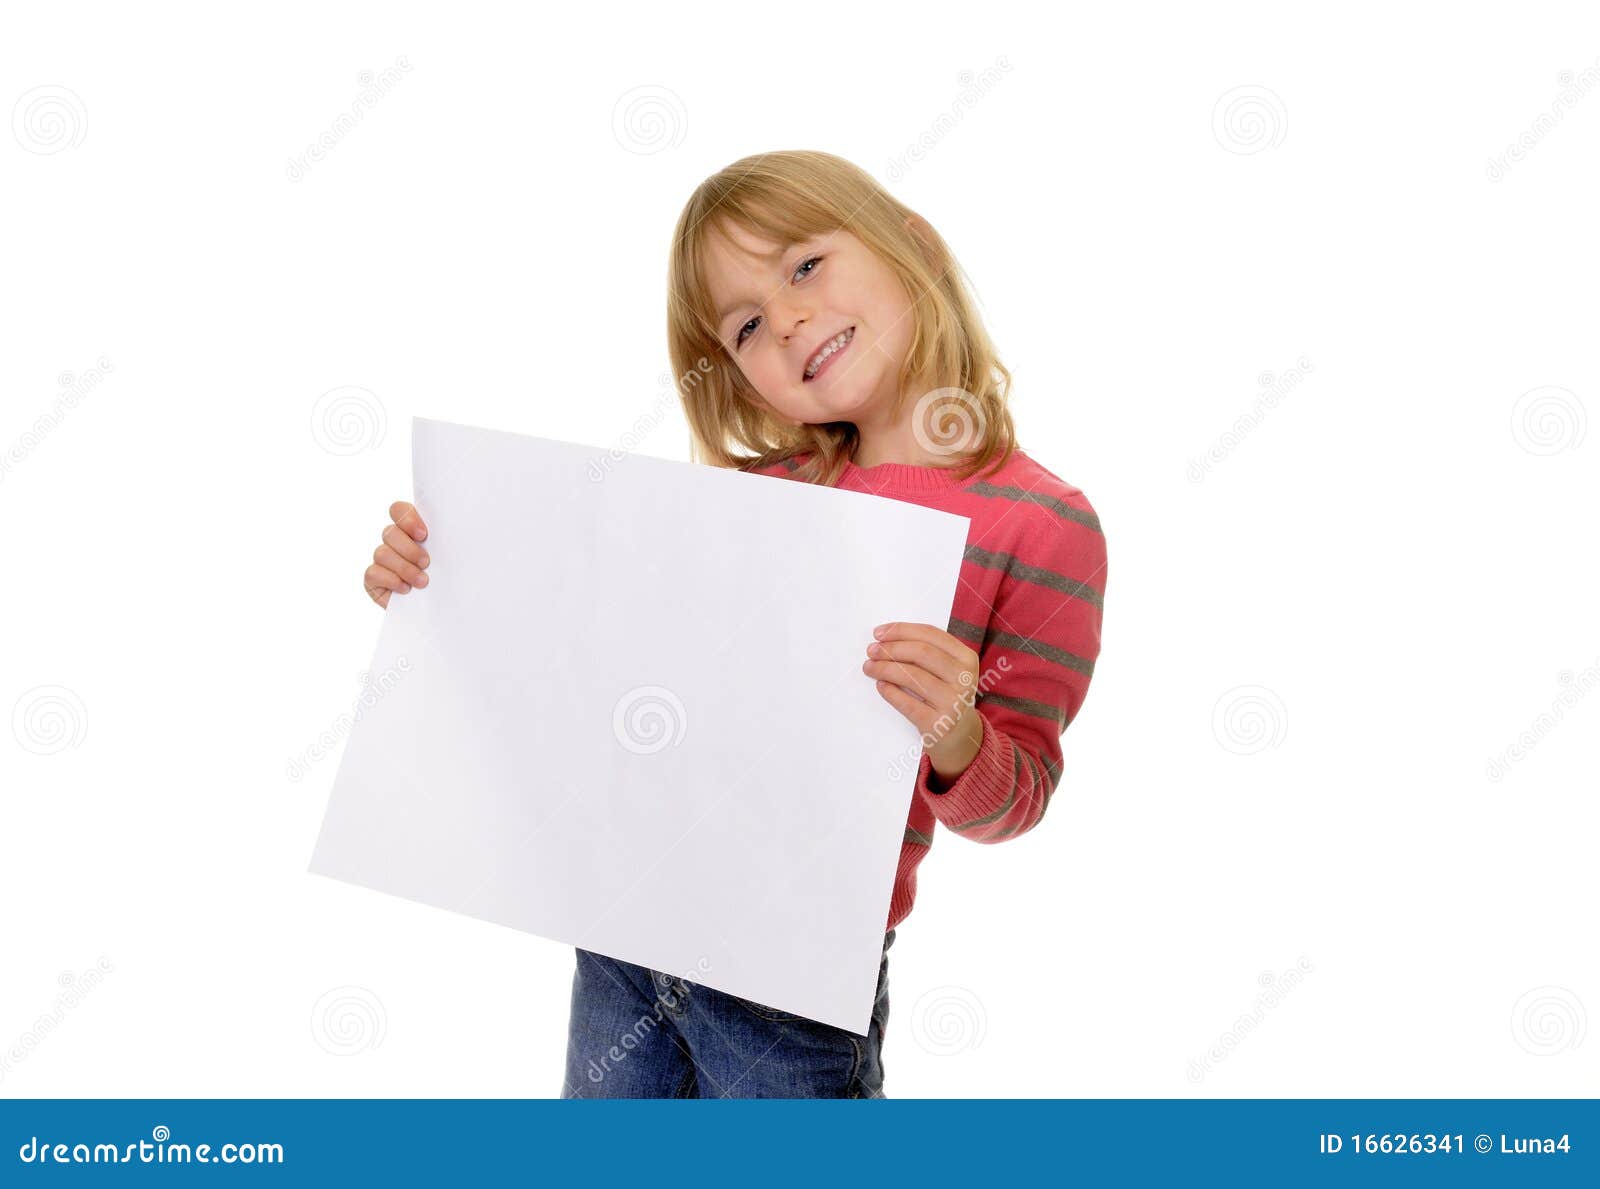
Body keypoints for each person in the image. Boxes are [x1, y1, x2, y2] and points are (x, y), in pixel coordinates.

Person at [360, 150, 1108, 1098]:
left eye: (805, 266)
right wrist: (440, 587)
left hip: (795, 976)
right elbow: (585, 663)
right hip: (629, 926)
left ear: (913, 247)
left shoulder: (1040, 523)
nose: (788, 316)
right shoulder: (750, 502)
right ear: (744, 377)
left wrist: (956, 731)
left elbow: (1020, 796)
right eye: (749, 324)